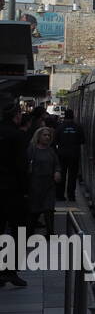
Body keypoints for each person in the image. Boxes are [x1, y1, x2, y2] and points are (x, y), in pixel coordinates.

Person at [0, 104, 30, 287]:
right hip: (12, 190)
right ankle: (10, 271)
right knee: (18, 230)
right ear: (17, 116)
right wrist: (26, 190)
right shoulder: (18, 136)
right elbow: (21, 165)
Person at [27, 126, 59, 232]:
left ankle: (50, 233)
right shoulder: (32, 149)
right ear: (38, 136)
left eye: (49, 135)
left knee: (49, 209)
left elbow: (57, 164)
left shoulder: (51, 151)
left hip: (49, 185)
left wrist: (57, 172)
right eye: (44, 135)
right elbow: (27, 165)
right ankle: (29, 233)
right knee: (34, 211)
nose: (47, 137)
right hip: (35, 185)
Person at [54, 107, 83, 203]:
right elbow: (83, 140)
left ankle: (60, 195)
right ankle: (71, 196)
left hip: (61, 154)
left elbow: (55, 140)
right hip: (74, 154)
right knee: (72, 175)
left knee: (62, 174)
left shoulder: (59, 127)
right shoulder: (78, 127)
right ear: (73, 116)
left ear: (64, 116)